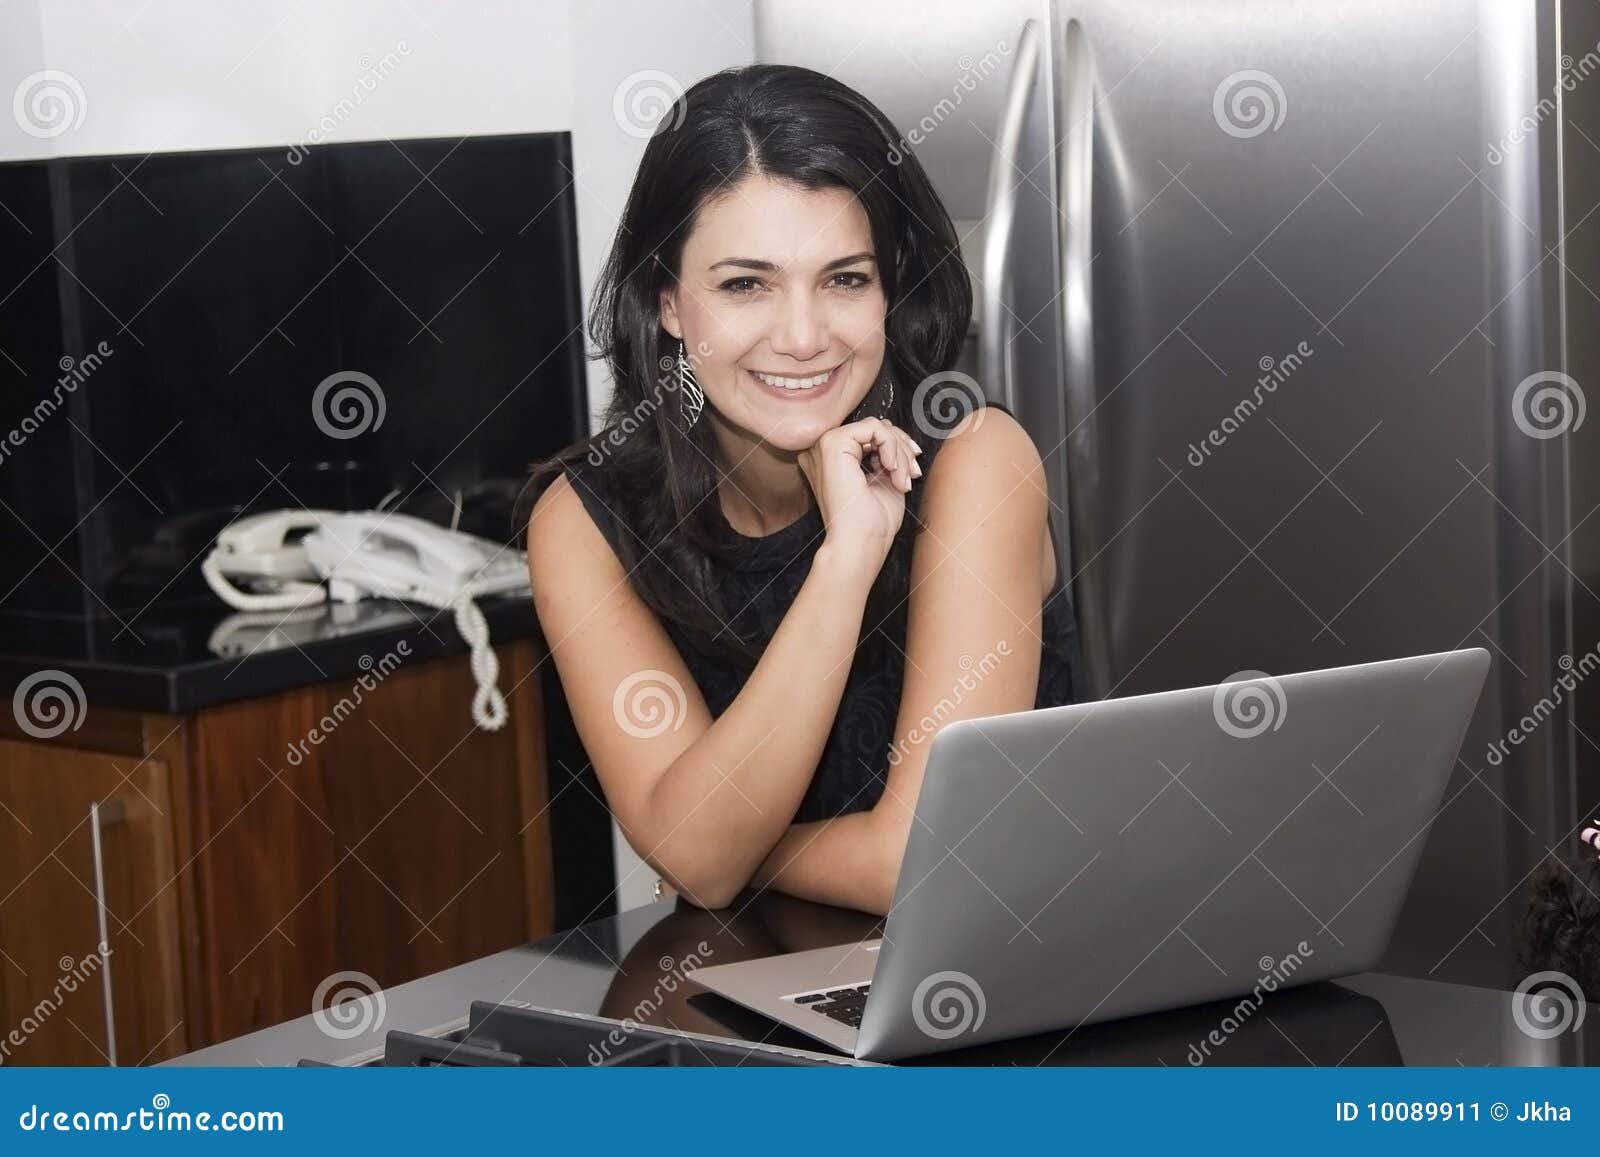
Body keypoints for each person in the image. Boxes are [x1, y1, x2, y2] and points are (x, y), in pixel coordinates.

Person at [516, 64, 1080, 916]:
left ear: (890, 289)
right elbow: (701, 860)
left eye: (845, 279)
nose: (804, 336)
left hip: (1017, 1003)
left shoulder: (976, 464)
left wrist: (734, 846)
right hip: (736, 1008)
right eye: (747, 284)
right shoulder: (585, 522)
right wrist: (845, 562)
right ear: (668, 301)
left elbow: (926, 863)